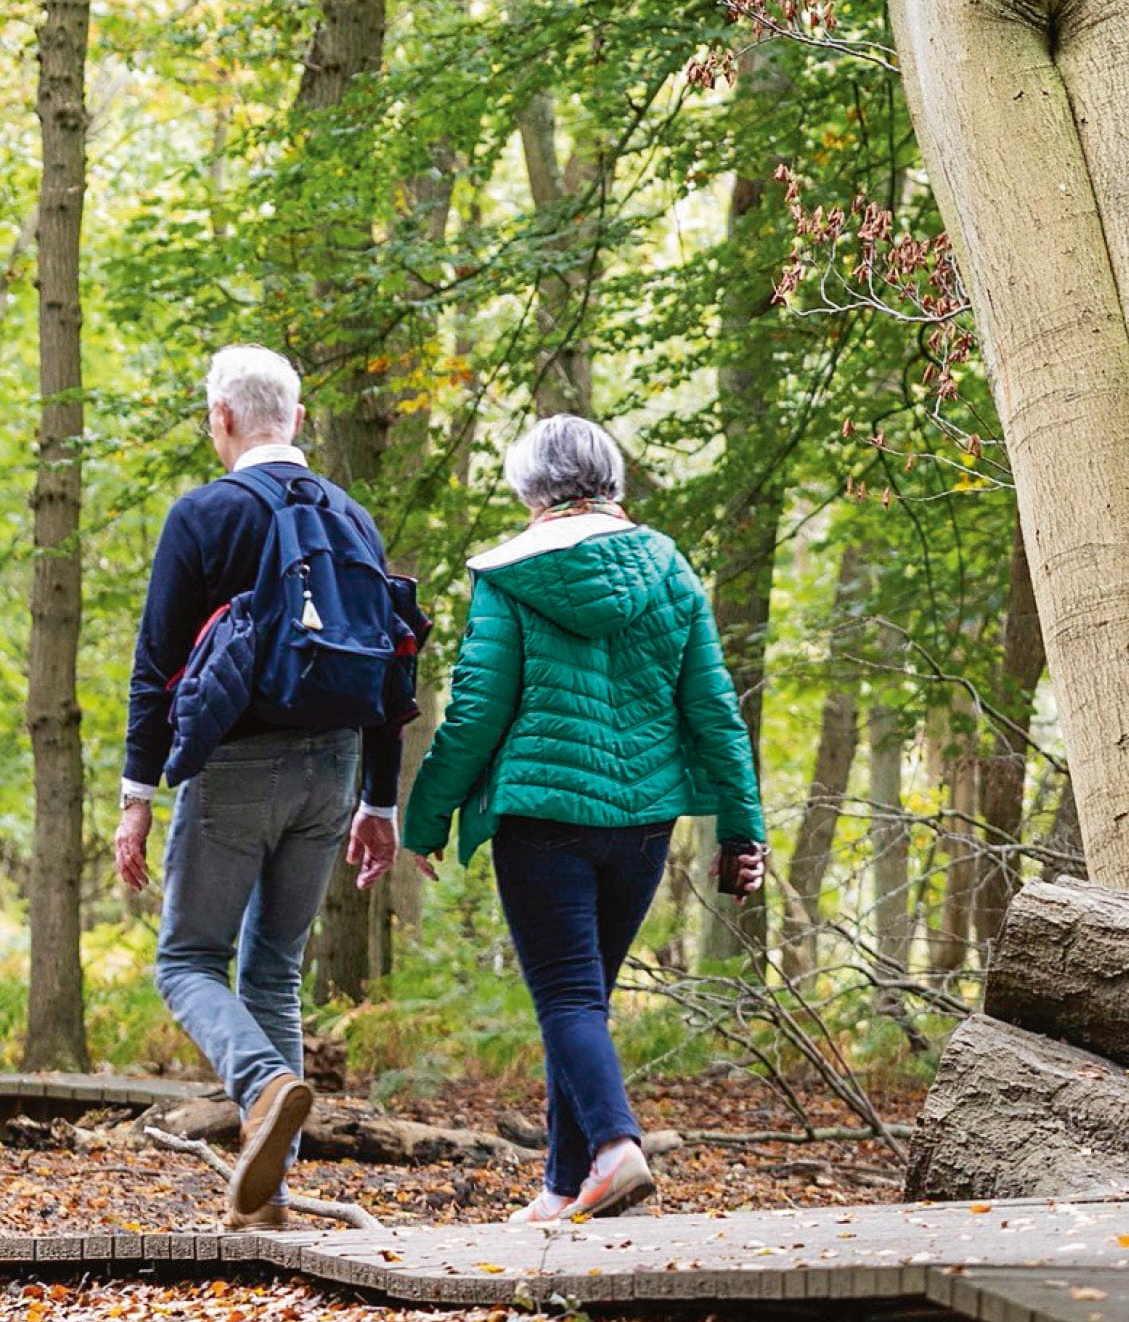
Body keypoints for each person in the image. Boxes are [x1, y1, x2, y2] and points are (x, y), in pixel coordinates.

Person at [401, 412, 767, 1223]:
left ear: (530, 488)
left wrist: (423, 819)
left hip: (542, 817)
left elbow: (475, 715)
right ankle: (565, 1187)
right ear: (613, 481)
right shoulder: (669, 568)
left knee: (567, 998)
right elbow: (714, 710)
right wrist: (745, 828)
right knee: (583, 999)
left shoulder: (508, 575)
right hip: (642, 823)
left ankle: (615, 1148)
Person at [116, 345, 403, 1231]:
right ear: (301, 419)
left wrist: (137, 791)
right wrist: (380, 801)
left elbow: (158, 663)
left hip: (236, 763)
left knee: (187, 959)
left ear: (222, 418)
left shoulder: (204, 514)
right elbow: (393, 659)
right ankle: (265, 1197)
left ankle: (265, 1083)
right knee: (274, 968)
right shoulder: (353, 518)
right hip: (333, 769)